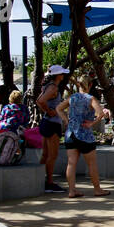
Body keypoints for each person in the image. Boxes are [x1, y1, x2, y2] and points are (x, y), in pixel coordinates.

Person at [63, 77, 110, 198]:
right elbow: (101, 114)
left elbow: (58, 108)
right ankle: (97, 189)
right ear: (89, 85)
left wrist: (66, 120)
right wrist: (91, 123)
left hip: (71, 133)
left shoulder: (72, 98)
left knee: (71, 163)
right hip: (85, 135)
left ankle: (72, 191)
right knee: (91, 163)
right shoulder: (90, 99)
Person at [35, 65, 69, 194]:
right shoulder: (53, 87)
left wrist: (46, 111)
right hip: (52, 123)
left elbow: (39, 100)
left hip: (46, 122)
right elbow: (41, 101)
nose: (63, 75)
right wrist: (49, 111)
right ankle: (49, 182)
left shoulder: (47, 86)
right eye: (62, 73)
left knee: (45, 154)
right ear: (58, 75)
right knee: (52, 155)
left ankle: (40, 179)